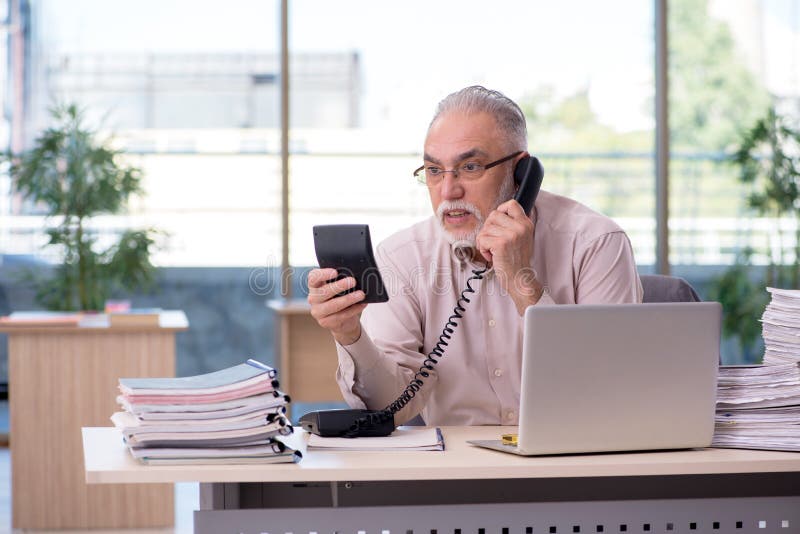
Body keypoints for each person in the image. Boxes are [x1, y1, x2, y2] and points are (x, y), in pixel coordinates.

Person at [307, 86, 643, 426]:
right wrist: (350, 334)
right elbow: (392, 409)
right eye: (434, 171)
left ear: (520, 172)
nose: (449, 191)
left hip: (576, 465)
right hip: (457, 472)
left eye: (470, 167)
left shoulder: (596, 243)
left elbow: (608, 392)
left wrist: (520, 279)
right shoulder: (402, 258)